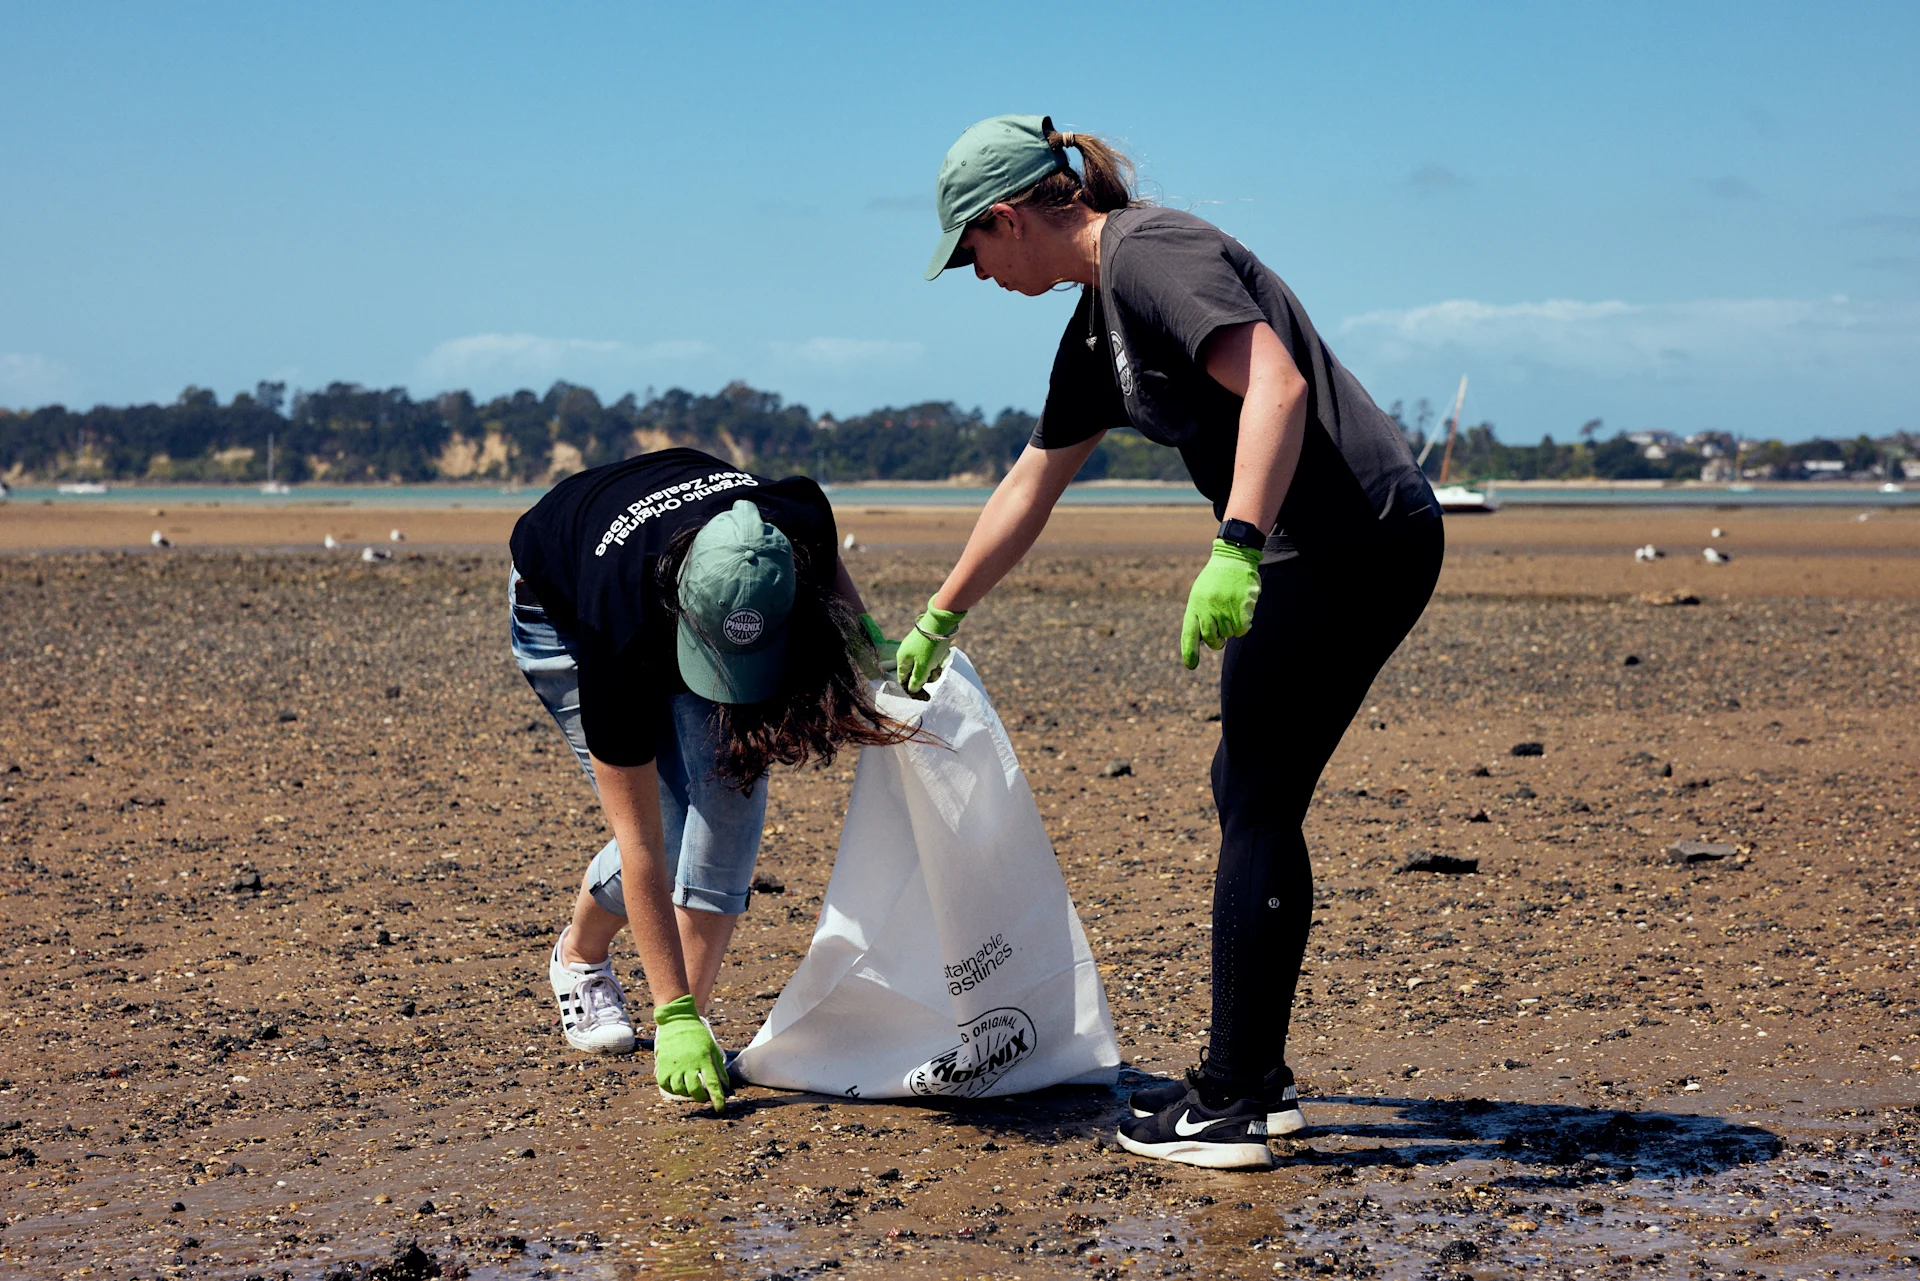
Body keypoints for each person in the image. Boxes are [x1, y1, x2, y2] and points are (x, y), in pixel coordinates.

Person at [904, 115, 1444, 1169]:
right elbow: (1033, 480)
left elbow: (1276, 385)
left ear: (1009, 219)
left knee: (1256, 799)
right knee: (1248, 790)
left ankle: (1238, 1098)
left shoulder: (1151, 254)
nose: (974, 274)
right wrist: (943, 610)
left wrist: (1237, 544)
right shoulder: (1099, 321)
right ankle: (1258, 1083)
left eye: (970, 249)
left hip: (1347, 538)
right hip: (1318, 544)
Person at [508, 447, 905, 1109]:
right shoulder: (616, 627)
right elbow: (637, 844)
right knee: (662, 824)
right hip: (566, 603)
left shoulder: (790, 524)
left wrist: (869, 641)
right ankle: (580, 956)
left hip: (696, 570)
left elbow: (826, 559)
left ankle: (693, 1024)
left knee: (732, 797)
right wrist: (671, 1015)